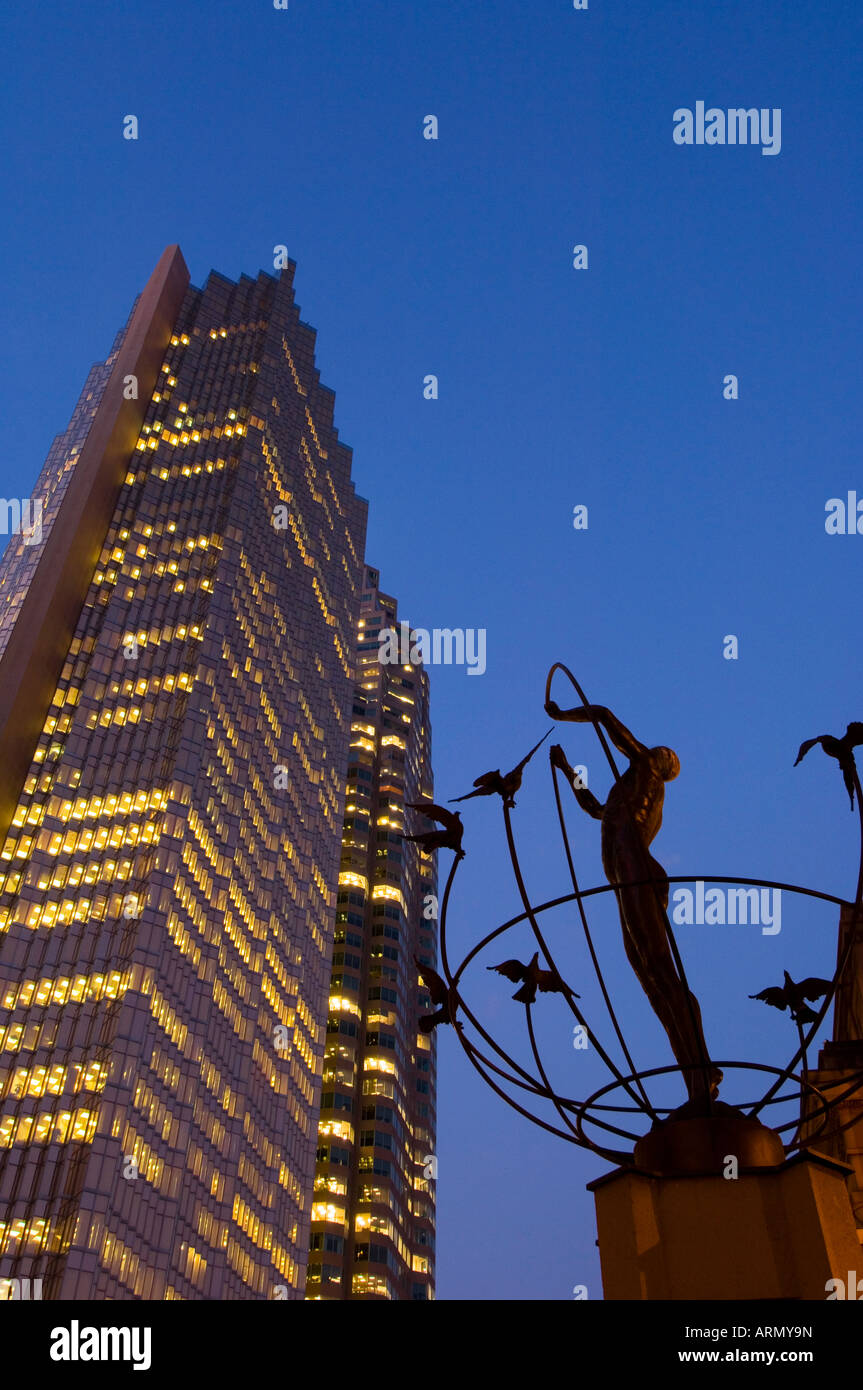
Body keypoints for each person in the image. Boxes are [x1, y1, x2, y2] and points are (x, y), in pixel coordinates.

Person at [546, 699, 720, 1102]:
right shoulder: (625, 793)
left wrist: (561, 715)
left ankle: (703, 1065)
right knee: (652, 980)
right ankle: (697, 1077)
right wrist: (567, 768)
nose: (661, 751)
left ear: (662, 768)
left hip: (638, 872)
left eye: (667, 756)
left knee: (660, 970)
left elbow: (604, 715)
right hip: (625, 881)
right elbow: (593, 808)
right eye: (662, 751)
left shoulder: (645, 770)